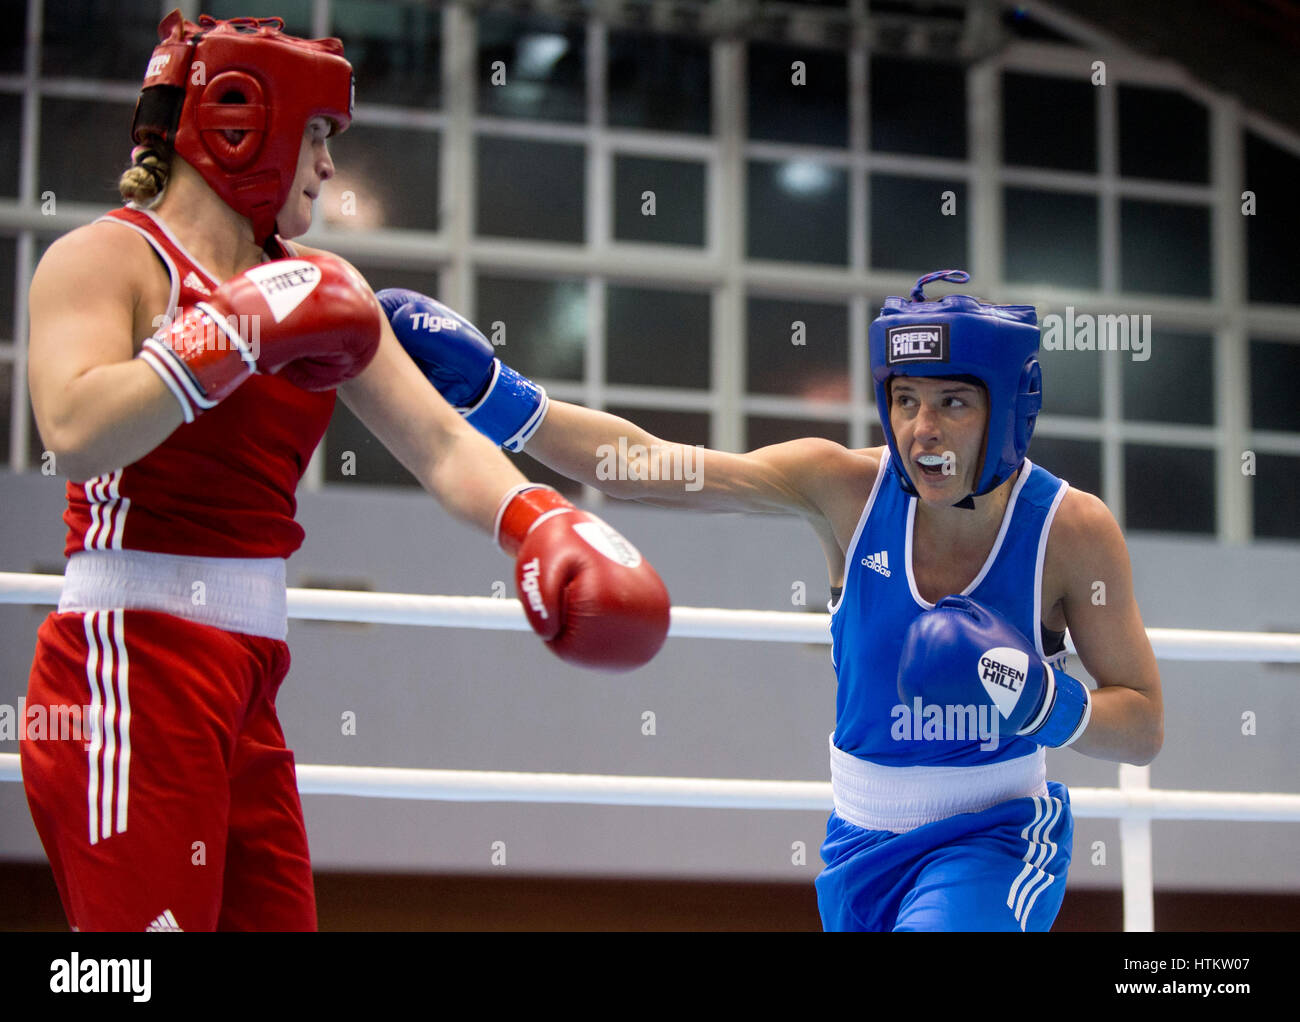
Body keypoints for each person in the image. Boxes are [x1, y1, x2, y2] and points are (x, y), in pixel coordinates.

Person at [21, 10, 670, 933]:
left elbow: (442, 445)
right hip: (129, 665)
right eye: (318, 135)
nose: (327, 166)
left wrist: (538, 521)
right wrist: (225, 338)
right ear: (242, 124)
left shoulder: (324, 288)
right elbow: (74, 429)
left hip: (249, 679)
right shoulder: (106, 258)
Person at [378, 268, 1165, 931]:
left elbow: (1143, 727)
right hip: (859, 840)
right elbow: (652, 467)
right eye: (905, 400)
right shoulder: (845, 490)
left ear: (1008, 407)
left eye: (954, 404)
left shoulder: (1070, 530)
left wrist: (1041, 703)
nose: (923, 430)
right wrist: (498, 398)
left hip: (996, 836)